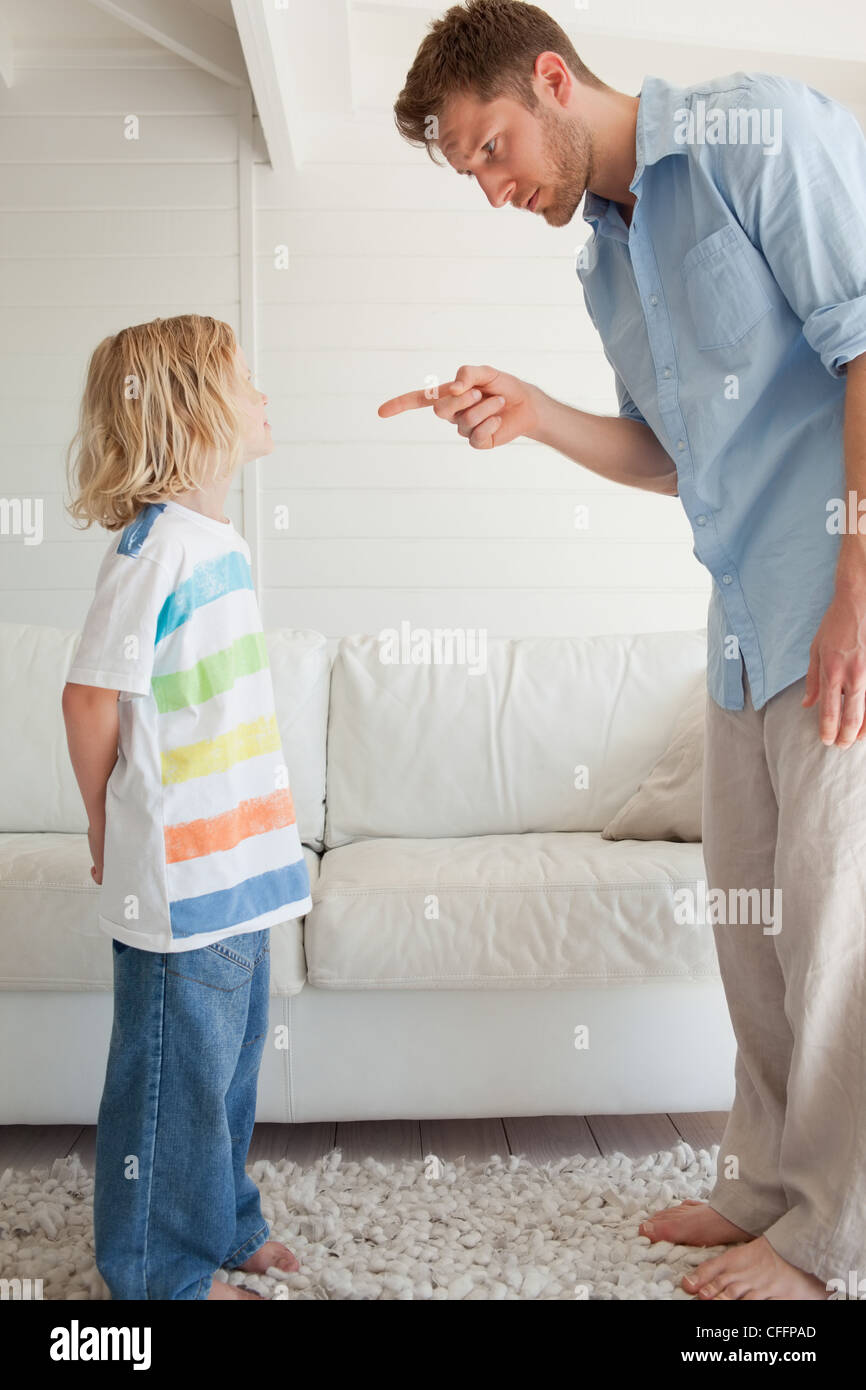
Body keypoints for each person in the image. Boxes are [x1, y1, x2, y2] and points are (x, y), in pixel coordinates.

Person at [378, 0, 866, 1301]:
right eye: (467, 170)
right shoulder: (600, 264)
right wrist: (536, 415)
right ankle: (766, 1184)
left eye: (488, 148)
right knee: (753, 925)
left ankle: (834, 1242)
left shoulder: (754, 135)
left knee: (838, 935)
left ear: (550, 79)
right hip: (742, 623)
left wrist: (857, 583)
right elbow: (673, 453)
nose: (489, 188)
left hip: (839, 601)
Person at [62, 314, 312, 1300]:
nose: (262, 399)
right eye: (245, 382)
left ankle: (222, 1223)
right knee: (170, 1088)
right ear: (191, 412)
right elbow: (89, 697)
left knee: (224, 1076)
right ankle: (156, 1271)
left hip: (238, 872)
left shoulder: (216, 542)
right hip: (179, 878)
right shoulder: (152, 549)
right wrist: (99, 822)